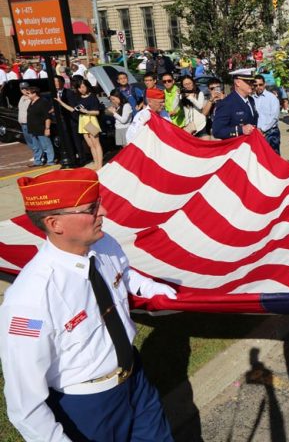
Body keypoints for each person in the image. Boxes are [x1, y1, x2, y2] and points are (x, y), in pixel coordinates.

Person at [0, 168, 176, 441]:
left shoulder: (104, 244)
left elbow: (124, 274)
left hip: (135, 378)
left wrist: (153, 289)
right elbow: (25, 404)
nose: (103, 211)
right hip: (87, 407)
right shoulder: (30, 299)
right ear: (55, 223)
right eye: (91, 208)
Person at [56, 79, 104, 170]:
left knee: (96, 144)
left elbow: (97, 112)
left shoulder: (92, 96)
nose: (81, 89)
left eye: (83, 87)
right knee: (90, 145)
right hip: (82, 121)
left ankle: (100, 164)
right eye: (79, 87)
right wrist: (60, 102)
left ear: (87, 86)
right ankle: (96, 163)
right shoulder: (78, 98)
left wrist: (86, 111)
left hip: (90, 121)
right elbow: (73, 110)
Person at [212, 68, 260, 139]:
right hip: (235, 146)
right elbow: (217, 131)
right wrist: (241, 130)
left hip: (250, 144)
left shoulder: (251, 100)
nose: (251, 85)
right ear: (238, 82)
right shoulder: (227, 103)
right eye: (248, 82)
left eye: (252, 82)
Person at [25, 86, 55, 167]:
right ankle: (37, 161)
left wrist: (47, 128)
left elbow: (47, 117)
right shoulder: (31, 102)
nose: (27, 95)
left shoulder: (43, 102)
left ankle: (50, 161)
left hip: (41, 128)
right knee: (36, 147)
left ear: (34, 93)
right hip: (33, 129)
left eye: (28, 93)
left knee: (46, 146)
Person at [252, 74, 281, 154]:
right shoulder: (252, 99)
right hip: (256, 133)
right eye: (256, 85)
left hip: (271, 133)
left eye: (260, 84)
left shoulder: (272, 98)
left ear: (264, 84)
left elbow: (274, 117)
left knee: (273, 158)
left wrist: (262, 130)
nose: (258, 87)